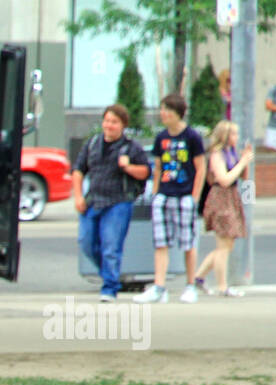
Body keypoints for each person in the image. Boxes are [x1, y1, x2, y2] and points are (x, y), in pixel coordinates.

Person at [71, 103, 151, 303]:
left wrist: (128, 167)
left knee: (111, 246)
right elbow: (78, 170)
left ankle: (109, 288)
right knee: (86, 242)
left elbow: (145, 172)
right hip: (93, 200)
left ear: (123, 125)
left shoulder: (131, 148)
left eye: (114, 122)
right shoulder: (92, 144)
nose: (109, 125)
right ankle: (110, 274)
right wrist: (78, 196)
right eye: (107, 121)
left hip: (118, 202)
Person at [134, 93, 205, 304]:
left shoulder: (192, 137)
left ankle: (190, 285)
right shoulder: (161, 138)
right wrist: (155, 194)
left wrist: (194, 197)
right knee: (161, 243)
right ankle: (159, 287)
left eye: (168, 110)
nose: (163, 114)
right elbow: (157, 167)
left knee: (188, 242)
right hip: (164, 194)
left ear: (178, 113)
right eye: (162, 109)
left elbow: (201, 168)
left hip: (184, 195)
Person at [194, 120, 253, 297]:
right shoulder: (216, 154)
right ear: (225, 136)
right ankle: (222, 286)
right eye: (233, 134)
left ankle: (198, 277)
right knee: (223, 245)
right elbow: (224, 179)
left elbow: (243, 176)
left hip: (232, 197)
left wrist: (245, 160)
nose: (236, 138)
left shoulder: (232, 153)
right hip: (221, 198)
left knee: (228, 244)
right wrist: (242, 162)